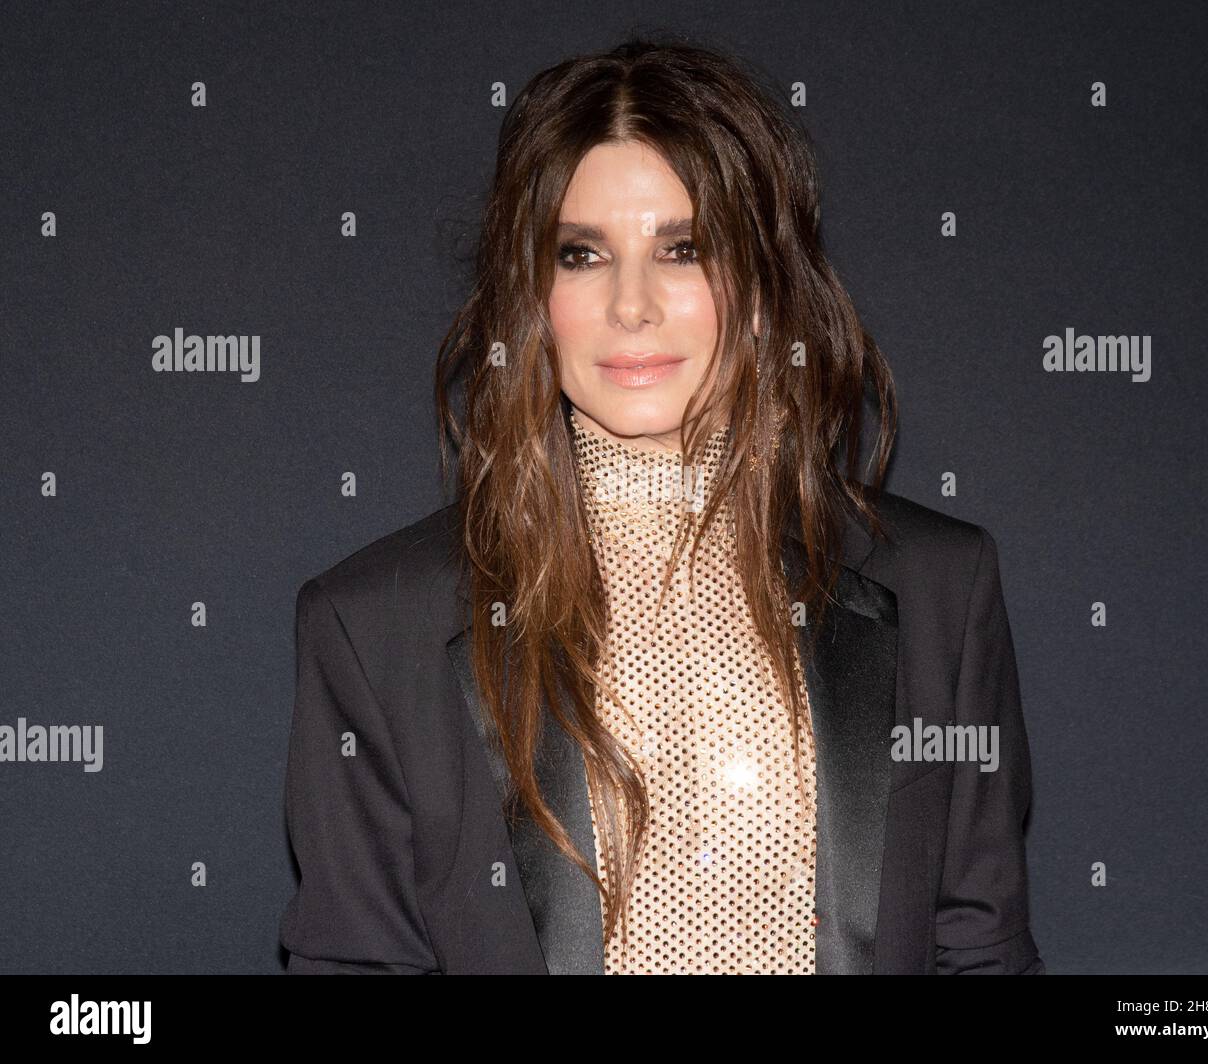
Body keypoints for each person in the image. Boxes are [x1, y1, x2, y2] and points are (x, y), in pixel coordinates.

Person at [279, 36, 1045, 975]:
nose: (631, 305)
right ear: (531, 296)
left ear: (763, 290)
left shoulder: (940, 589)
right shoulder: (374, 626)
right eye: (582, 254)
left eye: (683, 249)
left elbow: (980, 951)